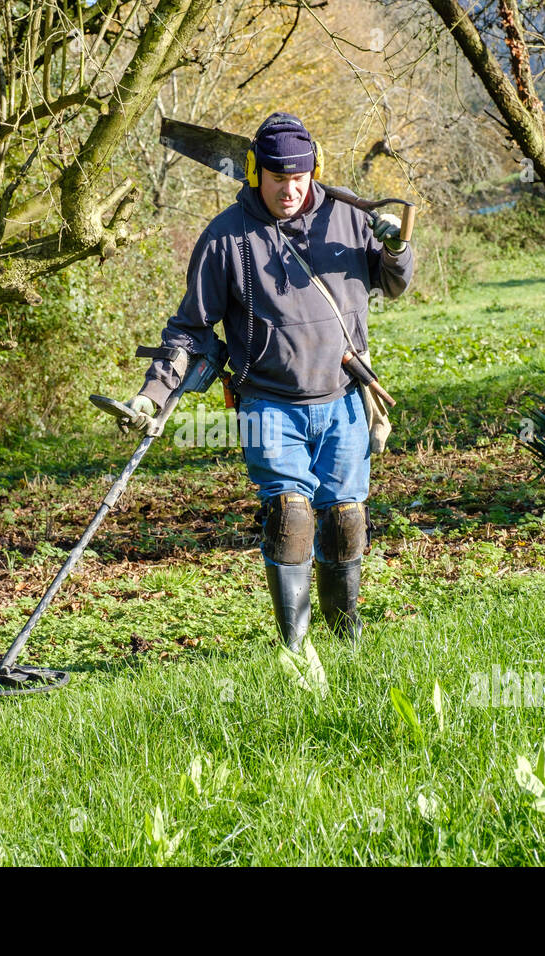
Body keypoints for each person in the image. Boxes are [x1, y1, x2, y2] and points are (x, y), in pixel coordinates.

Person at [125, 112, 414, 651]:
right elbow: (189, 329)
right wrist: (152, 395)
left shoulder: (350, 217)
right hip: (268, 403)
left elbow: (393, 284)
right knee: (290, 516)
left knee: (346, 521)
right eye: (278, 177)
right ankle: (297, 650)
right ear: (255, 172)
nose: (290, 189)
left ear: (315, 170)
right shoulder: (226, 237)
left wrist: (397, 248)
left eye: (300, 177)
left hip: (346, 396)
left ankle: (346, 642)